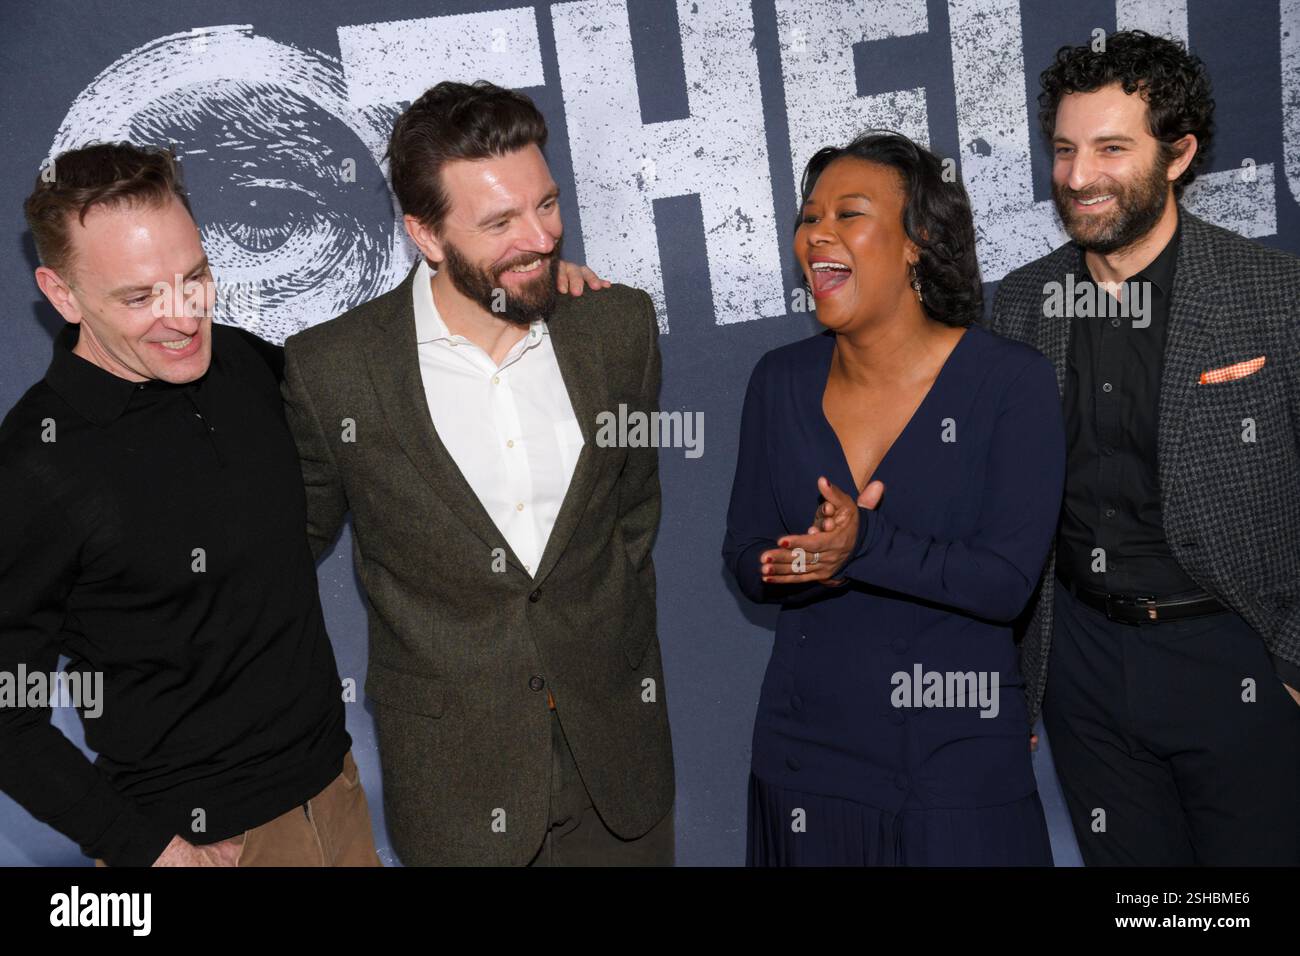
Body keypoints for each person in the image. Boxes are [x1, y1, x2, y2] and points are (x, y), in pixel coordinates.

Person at [280, 81, 675, 866]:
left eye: (547, 204)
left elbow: (635, 515)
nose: (539, 237)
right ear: (425, 235)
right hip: (457, 789)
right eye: (499, 222)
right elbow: (283, 556)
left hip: (619, 766)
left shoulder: (616, 327)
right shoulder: (335, 372)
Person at [0, 142, 379, 866]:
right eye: (139, 297)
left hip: (338, 797)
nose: (181, 317)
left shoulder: (241, 365)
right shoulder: (32, 467)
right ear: (61, 295)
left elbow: (372, 371)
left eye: (194, 277)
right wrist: (146, 849)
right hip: (204, 844)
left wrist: (537, 301)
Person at [990, 30, 1300, 865]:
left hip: (1240, 656)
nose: (1078, 176)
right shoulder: (1019, 308)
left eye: (1111, 148)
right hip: (1084, 669)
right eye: (1064, 149)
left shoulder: (1274, 298)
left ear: (1180, 153)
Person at [722, 130, 1064, 865]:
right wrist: (798, 564)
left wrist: (865, 544)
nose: (817, 235)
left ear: (918, 242)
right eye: (809, 217)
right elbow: (745, 557)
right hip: (805, 760)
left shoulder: (1010, 382)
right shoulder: (777, 381)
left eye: (848, 214)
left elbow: (1005, 583)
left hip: (956, 762)